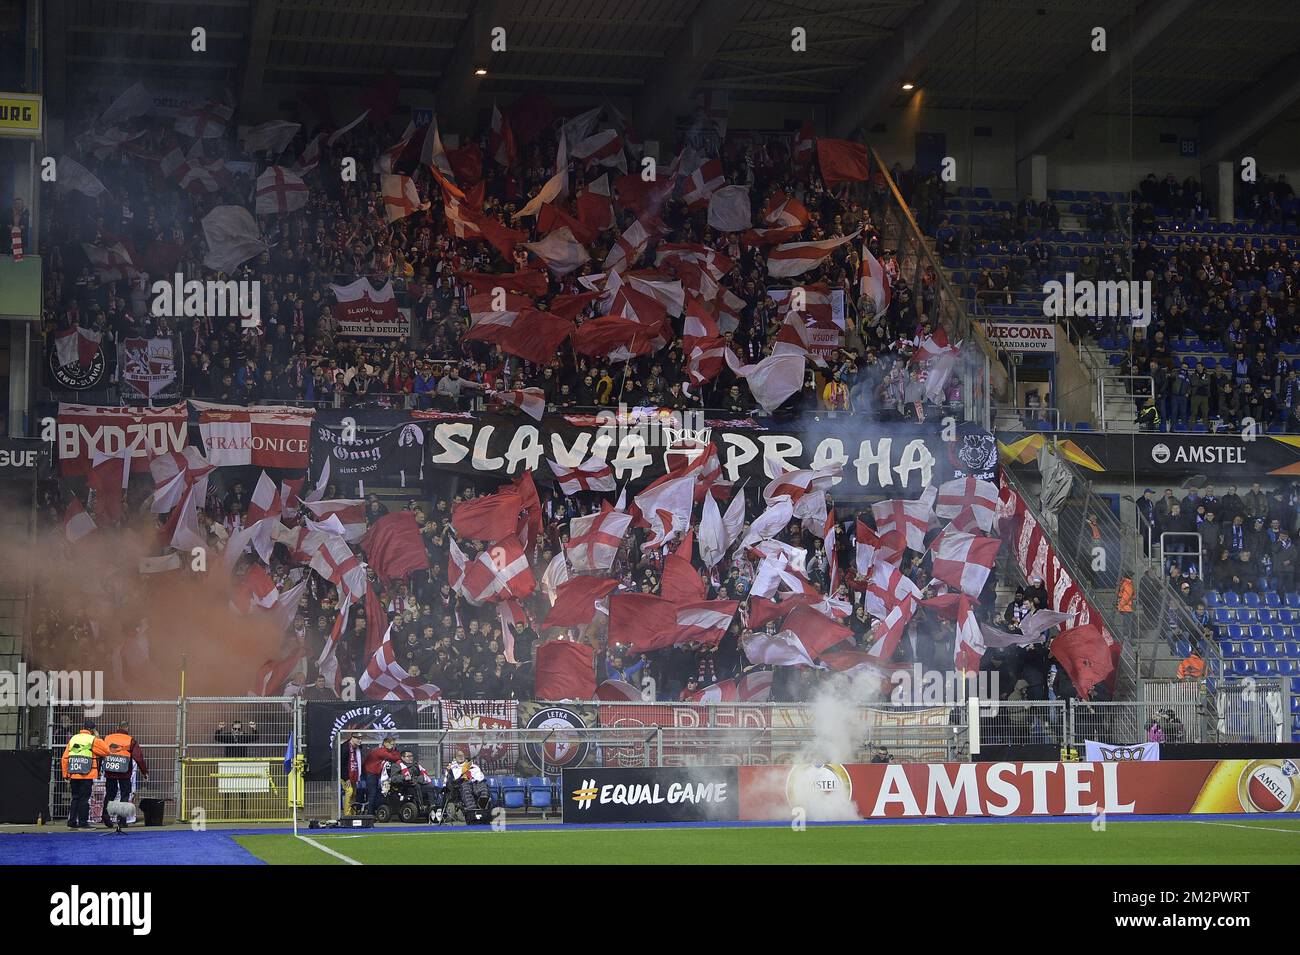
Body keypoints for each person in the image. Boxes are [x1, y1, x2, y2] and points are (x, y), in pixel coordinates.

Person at [60, 718, 111, 829]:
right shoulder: (92, 739)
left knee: (75, 798)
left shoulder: (74, 738)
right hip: (87, 774)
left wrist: (65, 774)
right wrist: (98, 737)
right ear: (93, 730)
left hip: (74, 773)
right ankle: (83, 822)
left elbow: (64, 758)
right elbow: (106, 751)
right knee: (84, 799)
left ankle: (72, 822)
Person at [101, 721, 148, 827]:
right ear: (127, 728)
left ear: (117, 727)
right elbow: (139, 758)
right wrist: (144, 772)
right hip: (124, 771)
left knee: (110, 794)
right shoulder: (130, 740)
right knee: (125, 795)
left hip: (110, 770)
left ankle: (105, 815)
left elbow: (101, 751)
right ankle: (122, 821)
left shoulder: (108, 738)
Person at [363, 736, 405, 816]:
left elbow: (397, 756)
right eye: (391, 744)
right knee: (373, 793)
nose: (393, 746)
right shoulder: (380, 751)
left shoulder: (388, 751)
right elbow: (395, 757)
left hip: (379, 774)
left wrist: (395, 752)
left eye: (394, 745)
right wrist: (395, 753)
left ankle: (377, 811)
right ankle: (370, 814)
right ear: (385, 743)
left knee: (381, 793)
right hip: (371, 774)